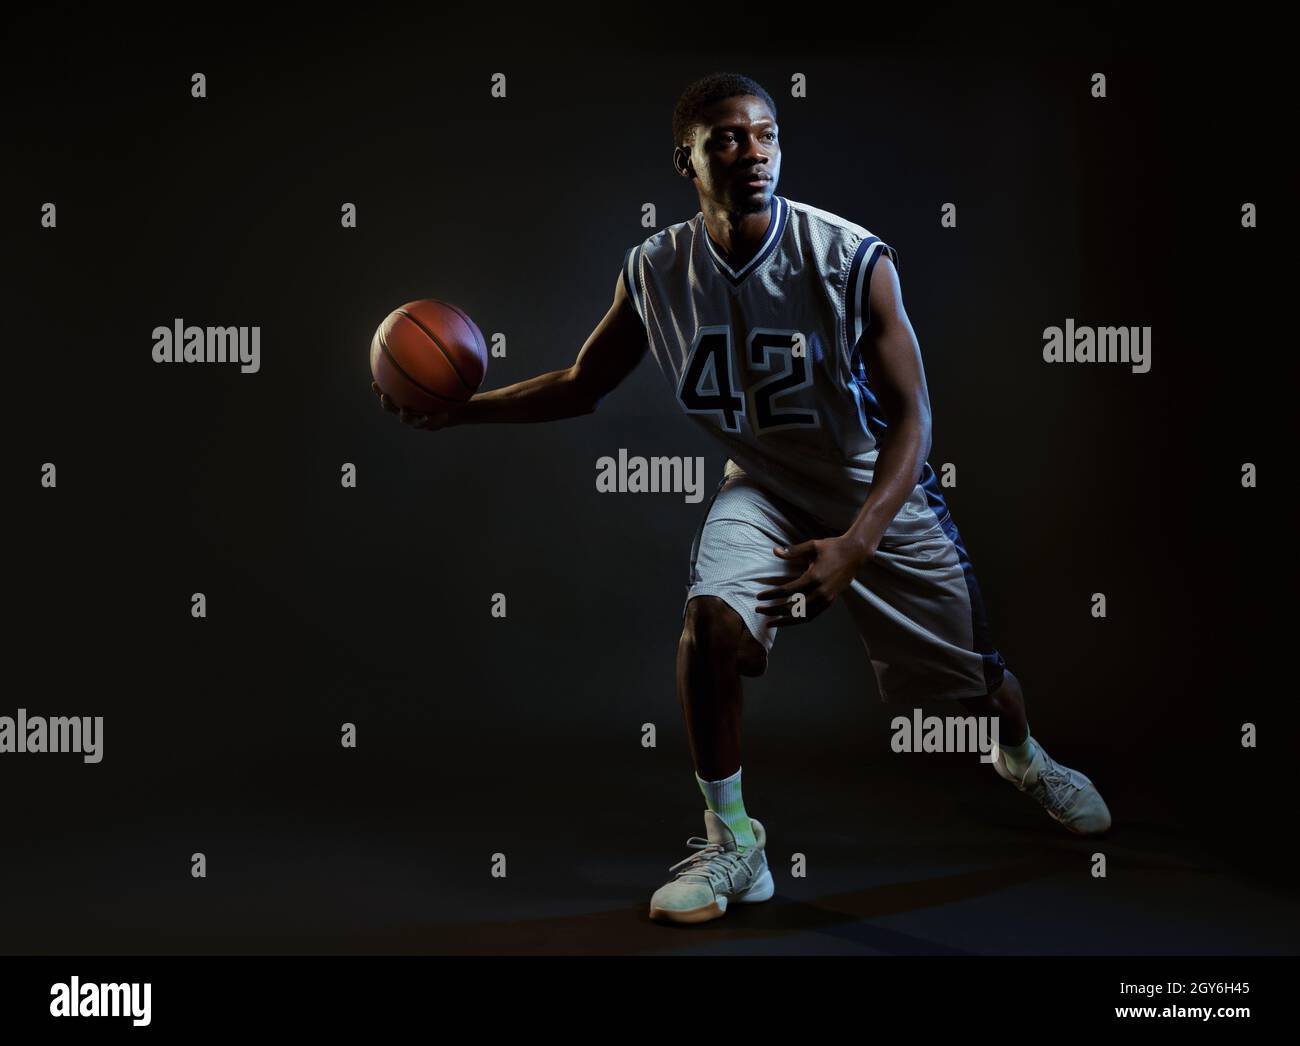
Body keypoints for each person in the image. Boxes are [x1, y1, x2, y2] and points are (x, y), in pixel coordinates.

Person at [372, 71, 1111, 926]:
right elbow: (583, 384)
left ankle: (1023, 758)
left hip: (872, 485)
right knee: (710, 625)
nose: (752, 153)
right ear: (684, 159)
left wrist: (859, 542)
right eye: (726, 137)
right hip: (762, 485)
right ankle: (736, 844)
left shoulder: (851, 259)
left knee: (981, 690)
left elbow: (915, 419)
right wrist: (459, 412)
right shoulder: (656, 268)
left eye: (765, 135)